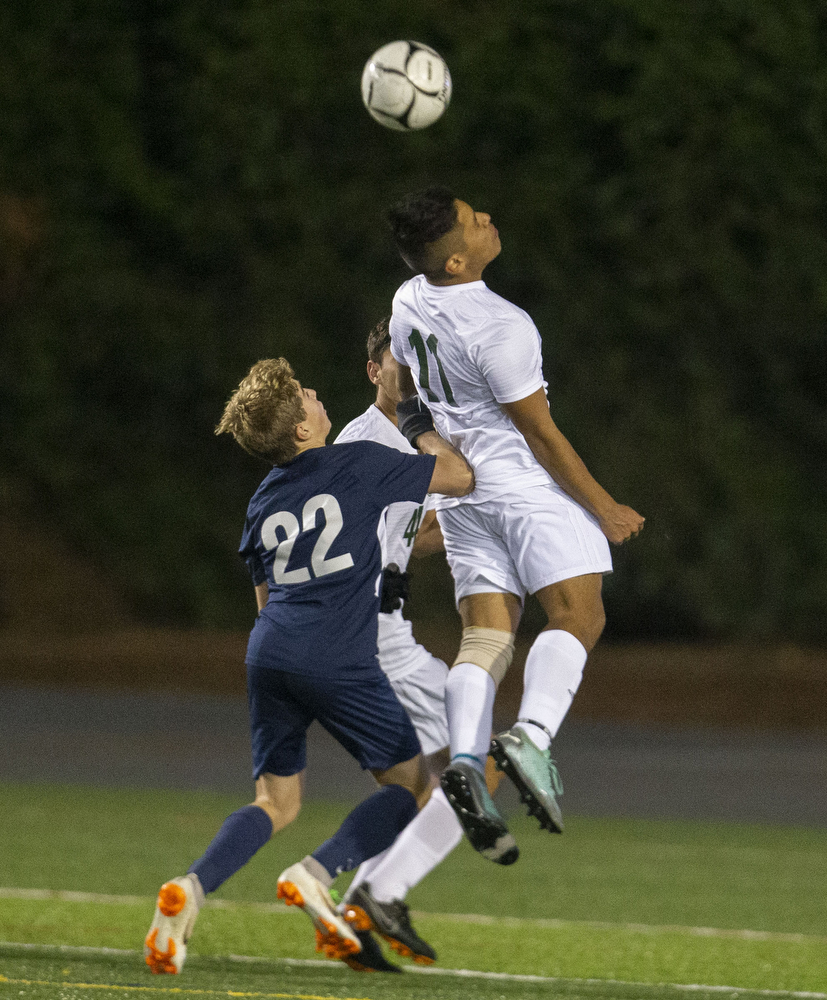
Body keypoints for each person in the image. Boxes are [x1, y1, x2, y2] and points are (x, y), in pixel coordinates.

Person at [144, 356, 473, 975]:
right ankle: (316, 872)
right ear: (300, 429)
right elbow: (458, 476)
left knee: (275, 800)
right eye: (304, 395)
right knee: (410, 784)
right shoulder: (355, 463)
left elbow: (265, 600)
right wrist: (418, 422)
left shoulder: (261, 501)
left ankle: (190, 889)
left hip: (268, 653)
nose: (317, 393)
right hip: (336, 657)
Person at [386, 186, 645, 865]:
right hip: (524, 490)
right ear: (454, 262)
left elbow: (403, 393)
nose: (488, 220)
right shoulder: (503, 326)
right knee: (579, 616)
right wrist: (603, 505)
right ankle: (529, 734)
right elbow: (539, 434)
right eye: (475, 222)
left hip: (466, 494)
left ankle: (467, 761)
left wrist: (426, 444)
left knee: (486, 636)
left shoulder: (407, 299)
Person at [332, 318, 501, 971]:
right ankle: (364, 890)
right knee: (477, 761)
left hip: (377, 634)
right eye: (396, 364)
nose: (410, 376)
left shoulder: (395, 440)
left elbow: (401, 539)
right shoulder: (370, 442)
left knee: (421, 782)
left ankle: (357, 903)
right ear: (373, 372)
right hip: (376, 641)